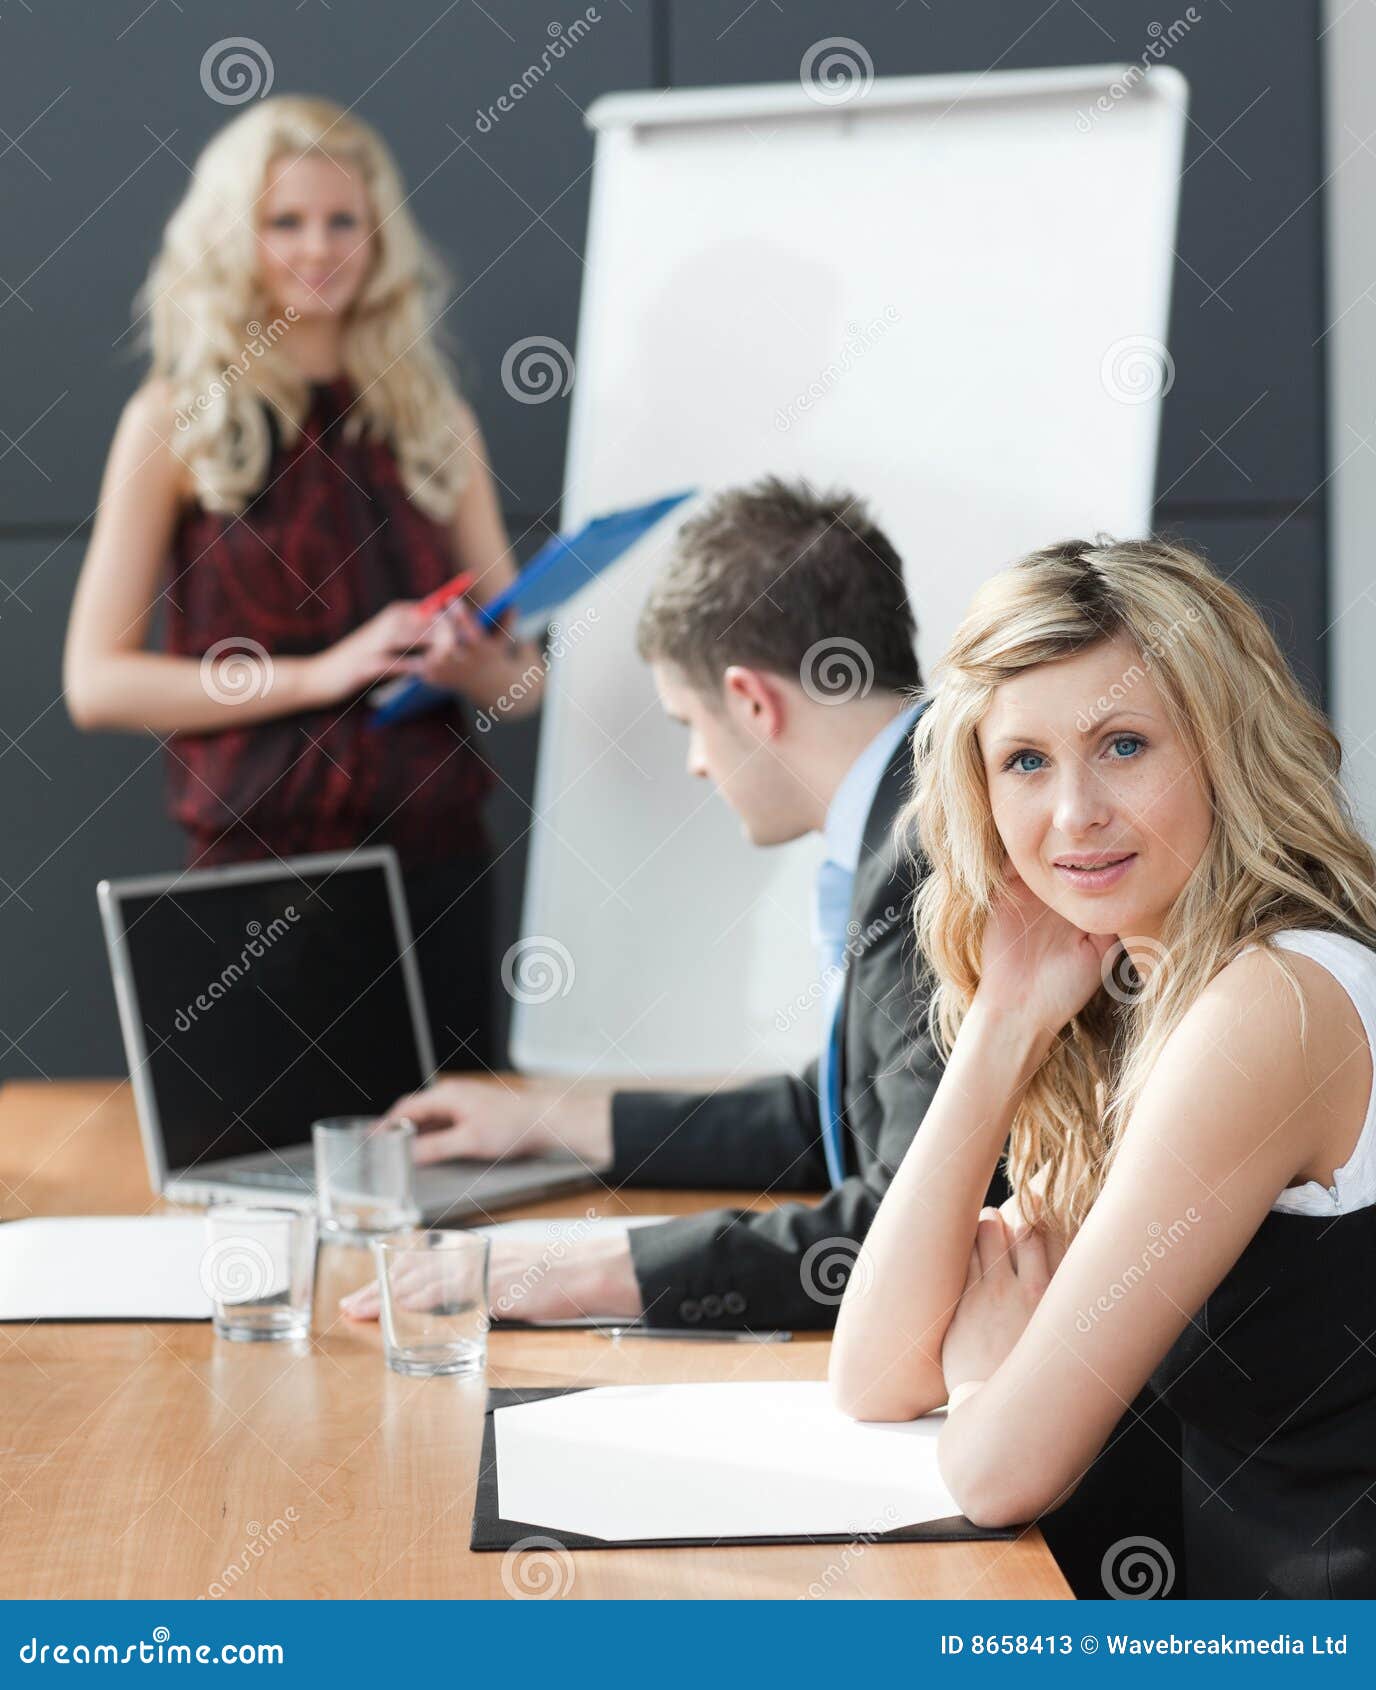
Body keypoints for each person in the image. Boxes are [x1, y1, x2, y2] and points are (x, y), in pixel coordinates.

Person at [828, 535, 1376, 1600]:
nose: (1071, 812)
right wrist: (1000, 1025)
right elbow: (876, 1374)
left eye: (1122, 745)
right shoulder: (1145, 992)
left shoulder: (1273, 1000)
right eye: (1022, 761)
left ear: (1221, 748)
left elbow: (996, 1472)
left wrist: (984, 1370)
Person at [341, 476, 1008, 1329]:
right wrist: (550, 1118)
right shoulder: (911, 810)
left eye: (687, 722)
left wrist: (587, 1272)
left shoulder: (928, 859)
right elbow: (834, 1118)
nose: (698, 762)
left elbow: (909, 1232)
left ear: (750, 700)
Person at [63, 95, 543, 1071]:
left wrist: (468, 665)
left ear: (379, 236)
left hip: (438, 871)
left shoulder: (431, 416)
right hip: (258, 885)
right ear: (233, 239)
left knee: (453, 1186)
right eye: (284, 221)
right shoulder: (174, 418)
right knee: (265, 1187)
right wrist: (322, 674)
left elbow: (521, 685)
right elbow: (97, 683)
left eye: (341, 220)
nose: (316, 248)